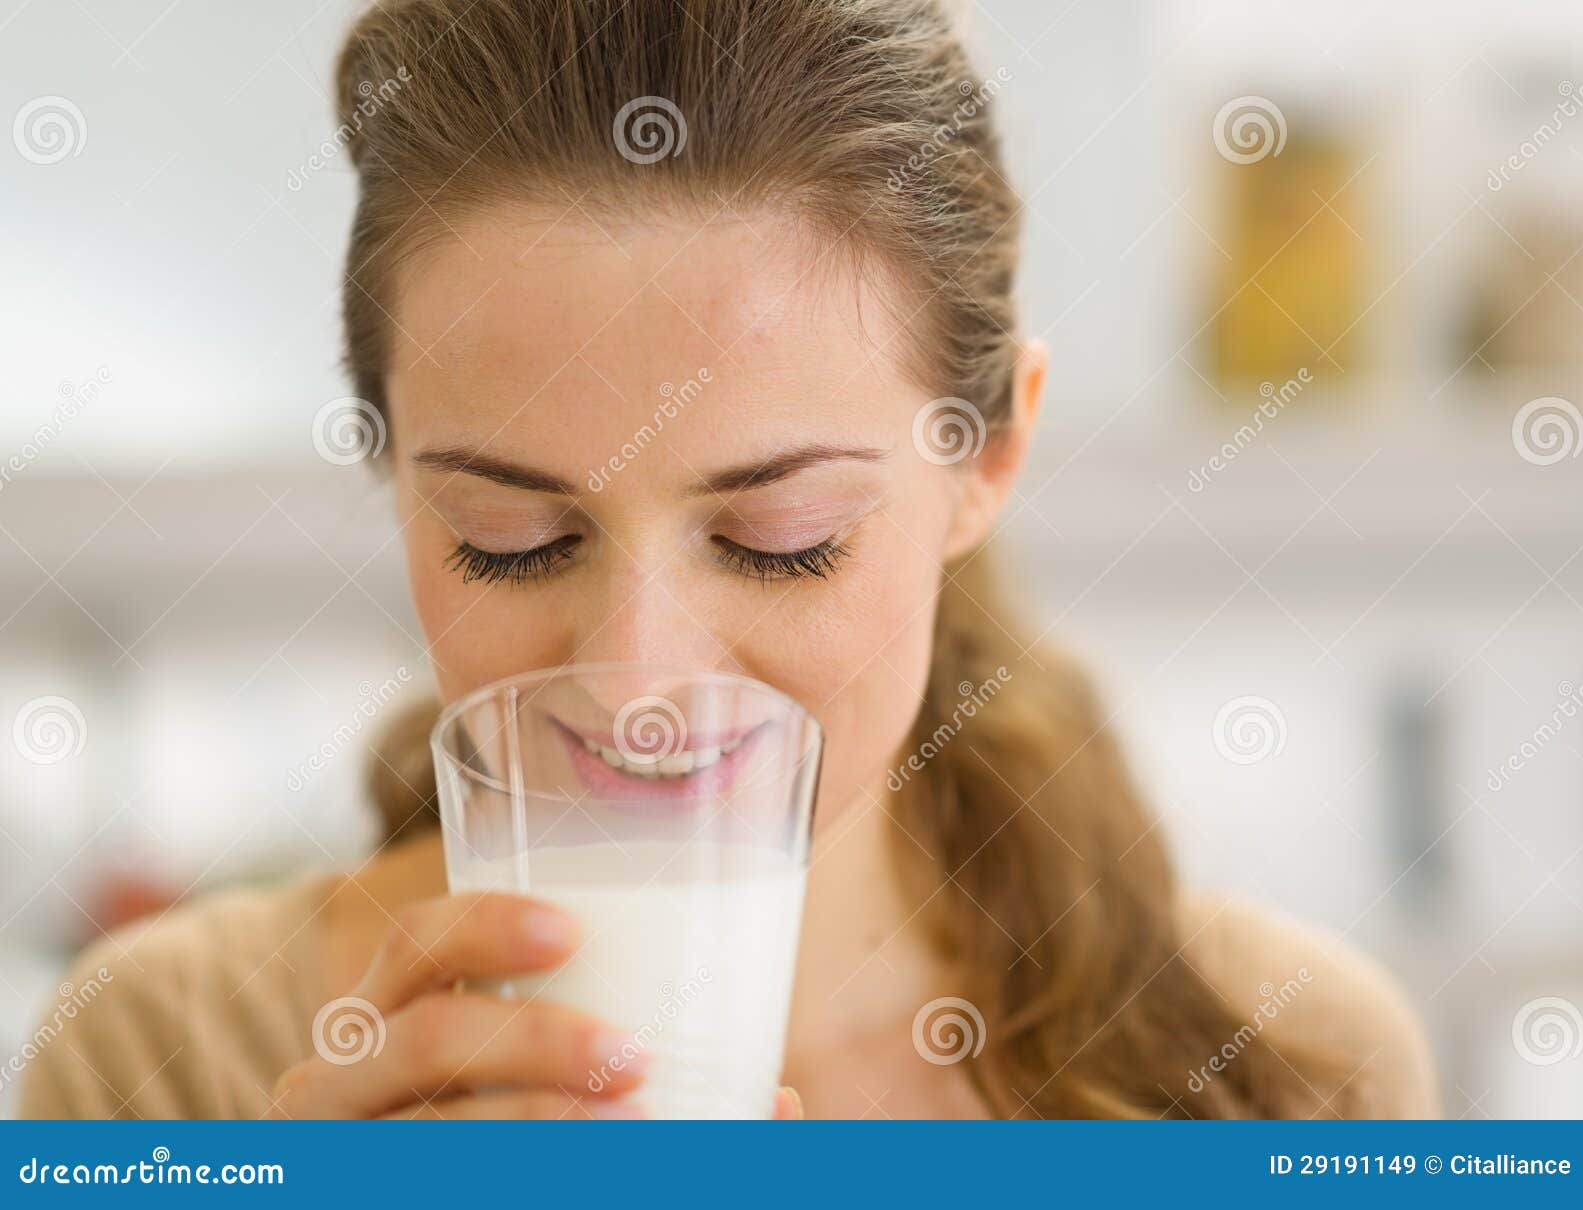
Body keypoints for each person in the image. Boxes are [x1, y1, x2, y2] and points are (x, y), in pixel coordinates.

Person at [20, 0, 1436, 1120]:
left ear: (989, 454)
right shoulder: (168, 1067)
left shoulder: (1292, 1071)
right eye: (510, 542)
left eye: (780, 542)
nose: (637, 679)